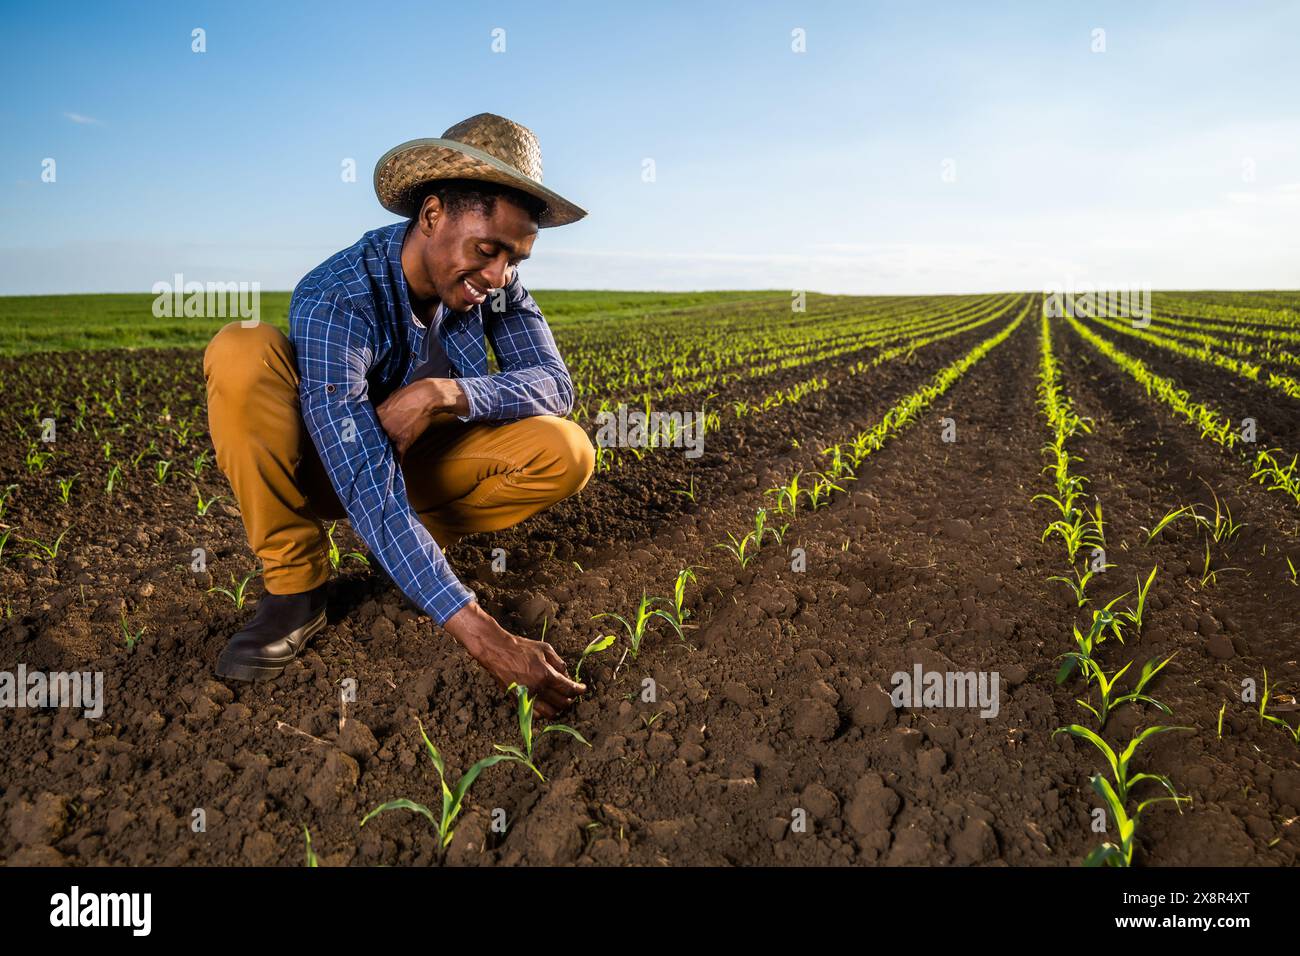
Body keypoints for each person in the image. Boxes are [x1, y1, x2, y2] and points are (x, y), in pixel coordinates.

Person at [203, 113, 592, 717]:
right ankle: (296, 588)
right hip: (326, 468)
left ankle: (413, 557)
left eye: (515, 259)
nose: (498, 275)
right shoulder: (339, 292)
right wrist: (483, 635)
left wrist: (443, 392)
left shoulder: (498, 287)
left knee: (564, 449)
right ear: (433, 215)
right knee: (241, 349)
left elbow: (555, 386)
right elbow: (362, 475)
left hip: (416, 465)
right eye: (487, 249)